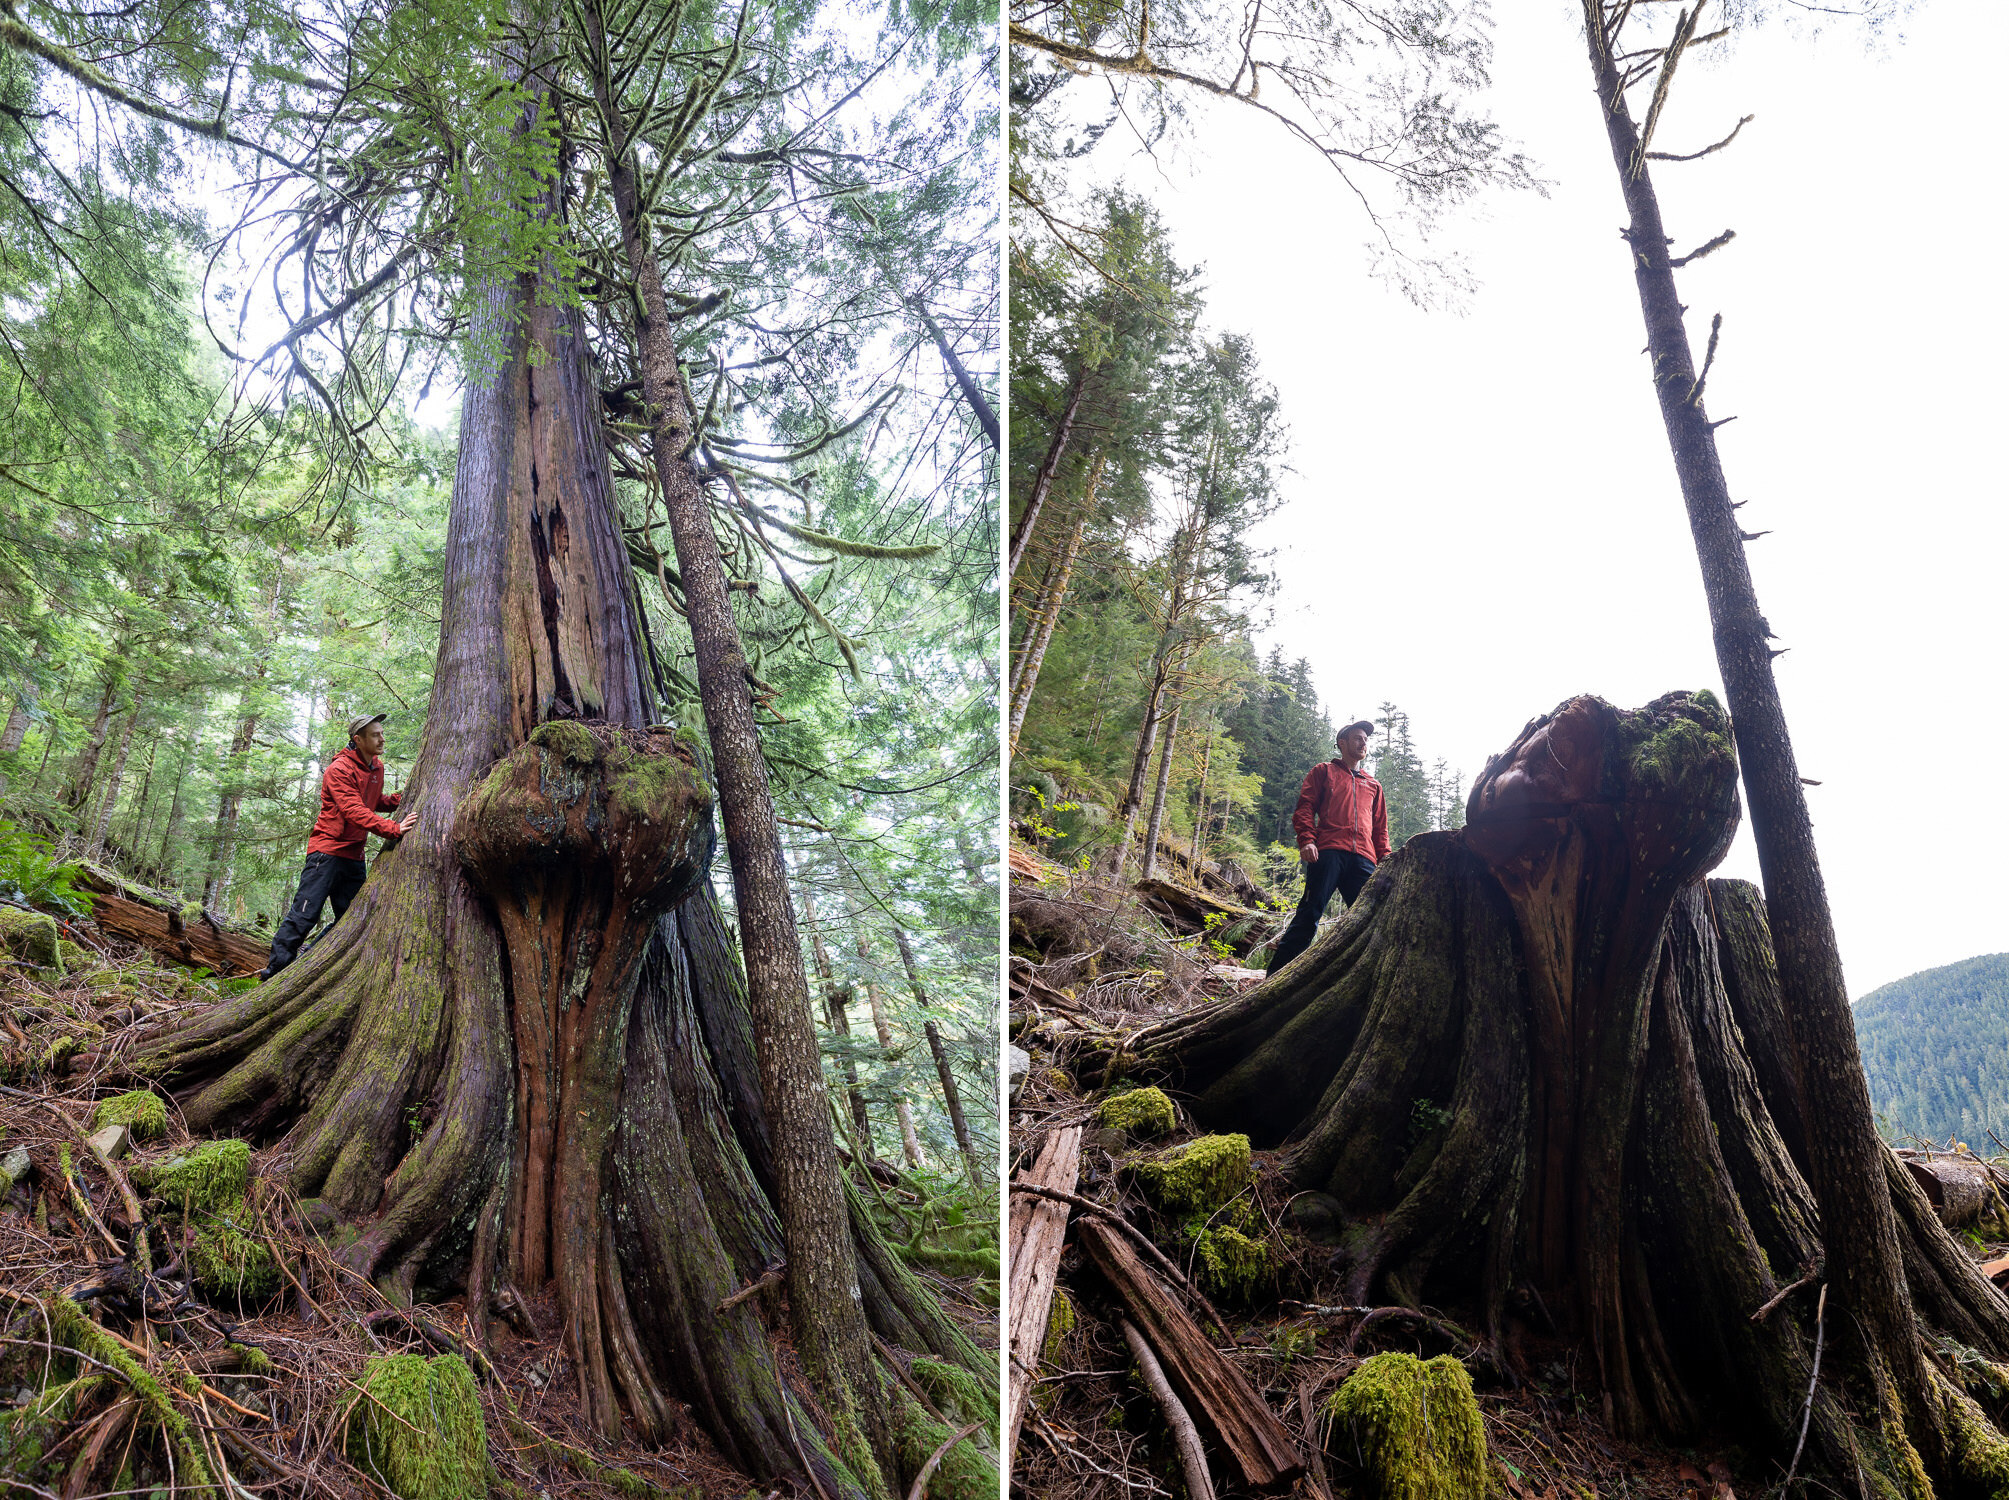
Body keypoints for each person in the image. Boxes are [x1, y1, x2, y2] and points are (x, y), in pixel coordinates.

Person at [261, 713, 418, 980]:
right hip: (327, 853)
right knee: (304, 914)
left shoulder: (375, 767)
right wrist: (392, 829)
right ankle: (274, 972)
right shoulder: (339, 770)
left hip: (354, 855)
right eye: (375, 735)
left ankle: (312, 958)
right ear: (358, 740)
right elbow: (353, 809)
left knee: (353, 918)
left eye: (381, 733)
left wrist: (398, 799)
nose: (382, 739)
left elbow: (371, 800)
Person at [1265, 719, 1390, 976]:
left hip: (1364, 860)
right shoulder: (1324, 771)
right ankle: (1275, 979)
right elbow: (1305, 808)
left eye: (1366, 739)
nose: (1363, 742)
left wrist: (1386, 861)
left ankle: (1362, 980)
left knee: (1370, 920)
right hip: (1328, 851)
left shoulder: (1373, 785)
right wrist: (1307, 840)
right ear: (1341, 744)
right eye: (1357, 737)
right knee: (1309, 914)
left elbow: (1380, 829)